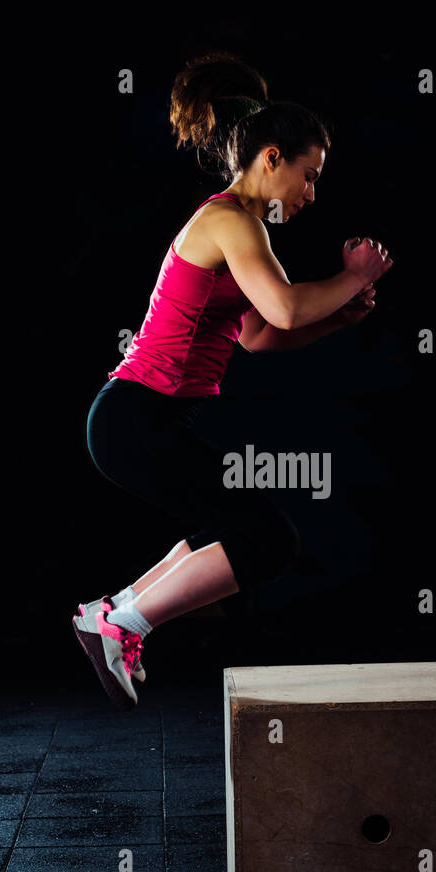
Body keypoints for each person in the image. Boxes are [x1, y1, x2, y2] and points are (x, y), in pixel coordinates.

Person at [74, 50, 393, 709]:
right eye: (309, 176)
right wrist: (353, 277)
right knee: (265, 540)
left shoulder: (242, 229)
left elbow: (256, 335)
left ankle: (110, 612)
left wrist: (337, 319)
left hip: (143, 420)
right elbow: (283, 307)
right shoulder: (231, 221)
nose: (311, 195)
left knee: (233, 528)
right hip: (134, 417)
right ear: (271, 157)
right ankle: (122, 622)